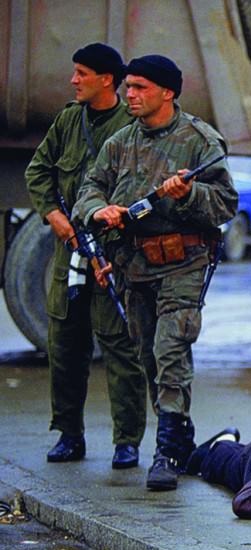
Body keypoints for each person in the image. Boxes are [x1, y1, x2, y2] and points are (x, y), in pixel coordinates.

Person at [74, 54, 238, 491]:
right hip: (133, 264)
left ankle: (166, 450)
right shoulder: (119, 143)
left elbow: (224, 204)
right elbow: (88, 190)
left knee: (170, 349)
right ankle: (181, 435)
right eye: (127, 87)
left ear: (167, 92)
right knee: (146, 353)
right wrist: (98, 209)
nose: (130, 94)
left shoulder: (200, 141)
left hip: (183, 262)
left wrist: (187, 195)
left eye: (140, 87)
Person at [24, 43, 147, 470]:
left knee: (121, 348)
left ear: (106, 79)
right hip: (71, 255)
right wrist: (53, 215)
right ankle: (68, 434)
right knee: (65, 347)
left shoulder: (132, 126)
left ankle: (127, 440)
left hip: (113, 259)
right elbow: (38, 171)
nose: (73, 80)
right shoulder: (68, 121)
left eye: (81, 73)